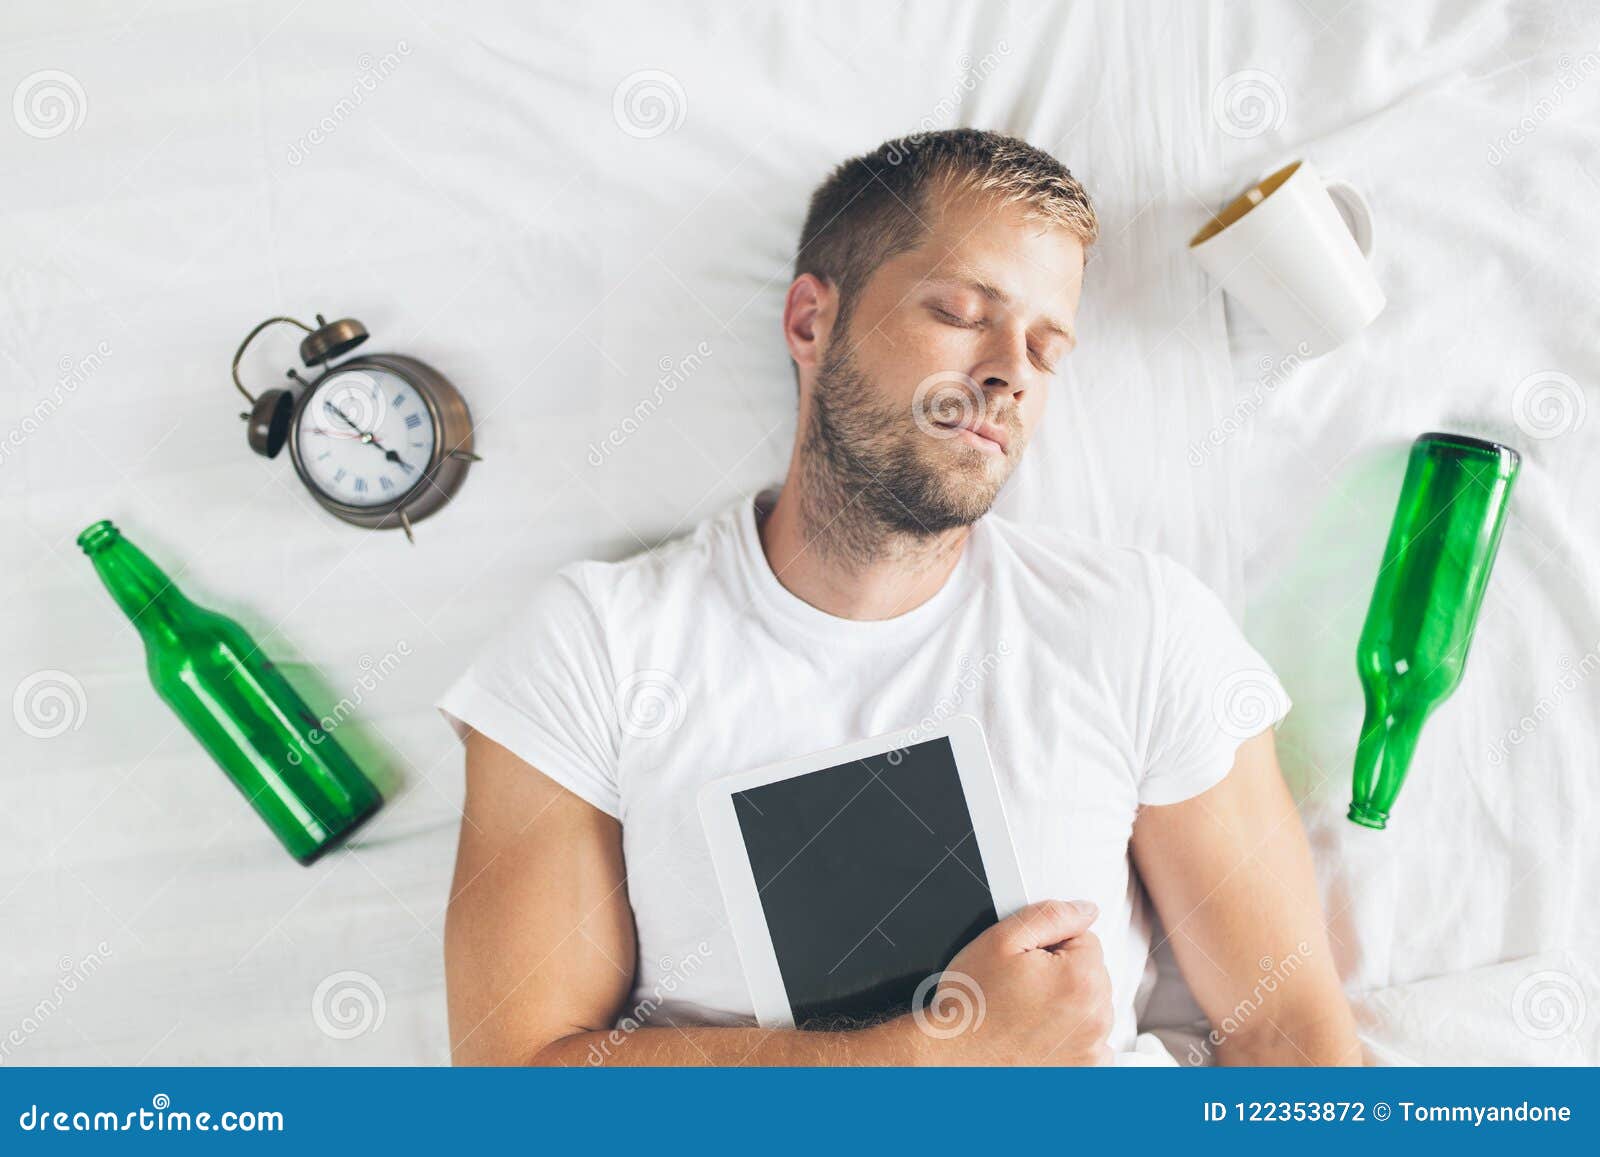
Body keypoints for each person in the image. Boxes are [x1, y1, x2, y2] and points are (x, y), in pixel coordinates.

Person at [439, 128, 1361, 1066]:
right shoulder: (596, 646)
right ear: (811, 322)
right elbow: (512, 1086)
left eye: (1046, 350)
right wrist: (931, 1053)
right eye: (962, 313)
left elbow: (1288, 1034)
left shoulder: (1139, 627)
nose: (1011, 372)